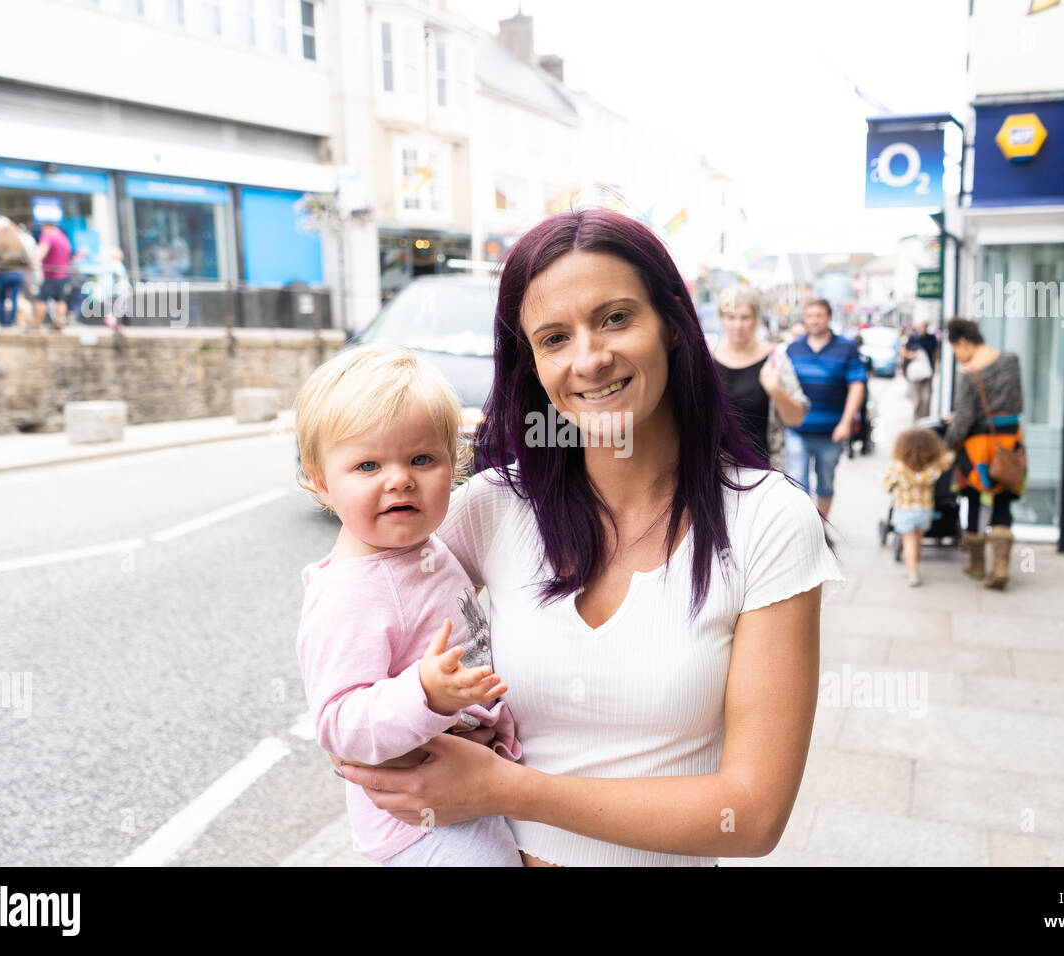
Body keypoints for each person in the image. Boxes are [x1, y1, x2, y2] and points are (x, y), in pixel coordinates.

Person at [337, 208, 843, 867]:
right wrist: (360, 721)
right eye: (553, 338)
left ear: (671, 325)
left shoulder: (768, 521)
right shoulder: (494, 505)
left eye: (615, 318)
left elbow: (752, 816)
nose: (589, 358)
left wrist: (507, 788)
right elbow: (353, 609)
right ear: (534, 367)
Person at [293, 344, 523, 866]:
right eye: (368, 464)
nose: (399, 479)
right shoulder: (350, 593)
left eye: (421, 459)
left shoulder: (424, 546)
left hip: (471, 786)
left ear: (455, 464)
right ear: (320, 482)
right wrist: (425, 693)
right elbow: (337, 723)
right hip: (418, 824)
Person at [942, 318, 1024, 590]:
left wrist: (948, 441)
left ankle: (977, 566)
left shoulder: (968, 374)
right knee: (1003, 500)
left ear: (963, 342)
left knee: (974, 500)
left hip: (978, 447)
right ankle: (1000, 565)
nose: (957, 357)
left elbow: (964, 420)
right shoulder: (1011, 360)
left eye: (955, 350)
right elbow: (1017, 403)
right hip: (1010, 442)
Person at [784, 298, 867, 516]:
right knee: (796, 483)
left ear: (828, 318)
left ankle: (821, 529)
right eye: (810, 316)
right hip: (797, 429)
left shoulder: (846, 348)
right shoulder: (793, 349)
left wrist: (846, 422)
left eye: (819, 316)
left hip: (832, 431)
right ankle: (802, 529)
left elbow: (857, 386)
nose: (814, 320)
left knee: (826, 482)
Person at [712, 284, 808, 466]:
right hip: (716, 469)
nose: (738, 325)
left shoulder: (775, 358)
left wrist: (775, 390)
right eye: (731, 317)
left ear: (756, 318)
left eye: (745, 317)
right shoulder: (709, 357)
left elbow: (796, 418)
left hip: (762, 469)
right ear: (722, 318)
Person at [883, 428, 955, 587]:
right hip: (925, 511)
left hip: (905, 510)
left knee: (908, 541)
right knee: (917, 540)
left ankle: (913, 573)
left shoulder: (898, 467)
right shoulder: (933, 467)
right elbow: (949, 457)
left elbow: (887, 485)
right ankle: (913, 566)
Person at [0, 216, 31, 329]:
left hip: (3, 274)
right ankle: (11, 322)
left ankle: (3, 323)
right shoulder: (18, 241)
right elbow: (26, 258)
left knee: (2, 298)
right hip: (17, 274)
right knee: (14, 298)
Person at [33, 221, 73, 330]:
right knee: (61, 300)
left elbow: (42, 249)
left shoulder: (48, 235)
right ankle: (59, 323)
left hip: (52, 275)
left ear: (46, 227)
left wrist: (33, 261)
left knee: (40, 300)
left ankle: (36, 325)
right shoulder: (63, 237)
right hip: (64, 274)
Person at [900, 320, 938, 421]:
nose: (922, 329)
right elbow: (903, 351)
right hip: (915, 373)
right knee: (917, 399)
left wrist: (934, 367)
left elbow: (935, 354)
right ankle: (916, 421)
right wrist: (911, 355)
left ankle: (925, 420)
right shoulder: (912, 338)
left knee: (926, 398)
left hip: (927, 372)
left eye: (924, 327)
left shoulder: (931, 338)